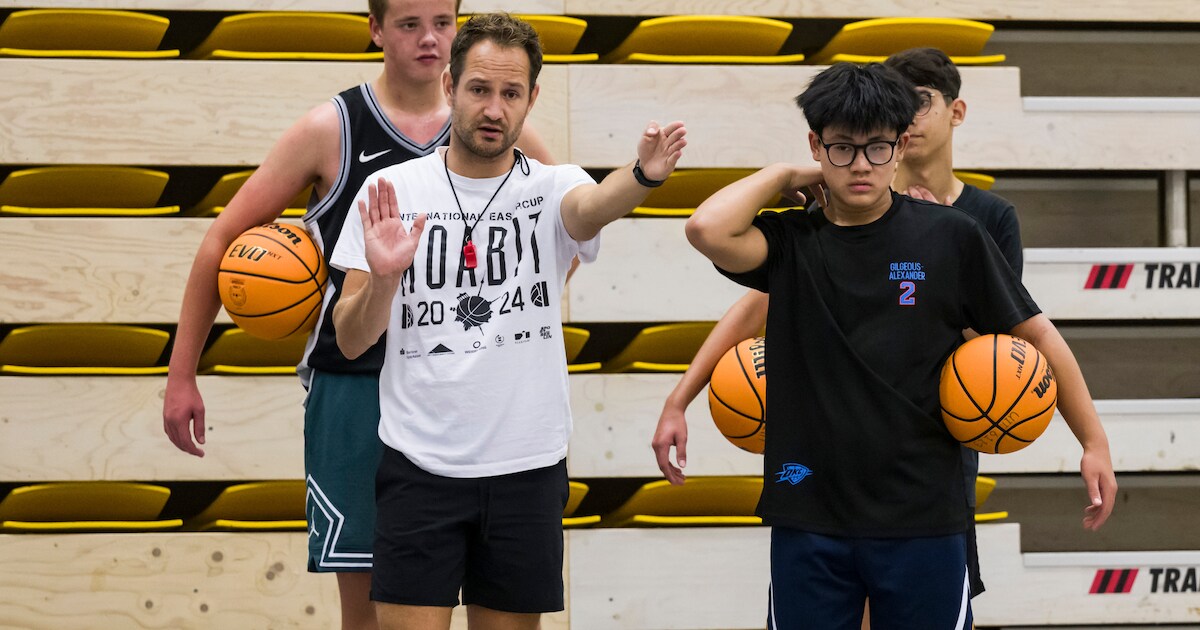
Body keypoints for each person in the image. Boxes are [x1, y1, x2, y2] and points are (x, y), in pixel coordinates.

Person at [682, 62, 1115, 629]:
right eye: (841, 148)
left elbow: (1036, 333)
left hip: (923, 513)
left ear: (901, 146)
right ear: (815, 146)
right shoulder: (791, 240)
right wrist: (783, 173)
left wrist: (1093, 441)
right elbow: (705, 229)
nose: (861, 165)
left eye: (878, 148)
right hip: (809, 510)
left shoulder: (951, 235)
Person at [161, 2, 552, 628]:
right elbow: (221, 242)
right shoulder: (331, 128)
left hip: (461, 391)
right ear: (375, 30)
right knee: (372, 611)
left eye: (442, 23)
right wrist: (182, 374)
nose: (429, 39)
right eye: (408, 24)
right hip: (357, 383)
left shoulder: (499, 125)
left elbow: (559, 238)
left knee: (498, 600)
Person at [330, 13, 686, 630]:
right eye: (479, 89)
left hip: (527, 467)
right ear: (450, 86)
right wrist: (385, 279)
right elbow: (351, 339)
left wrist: (642, 175)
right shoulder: (390, 191)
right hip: (419, 465)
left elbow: (594, 206)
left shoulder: (553, 187)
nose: (494, 109)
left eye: (511, 93)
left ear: (531, 99)